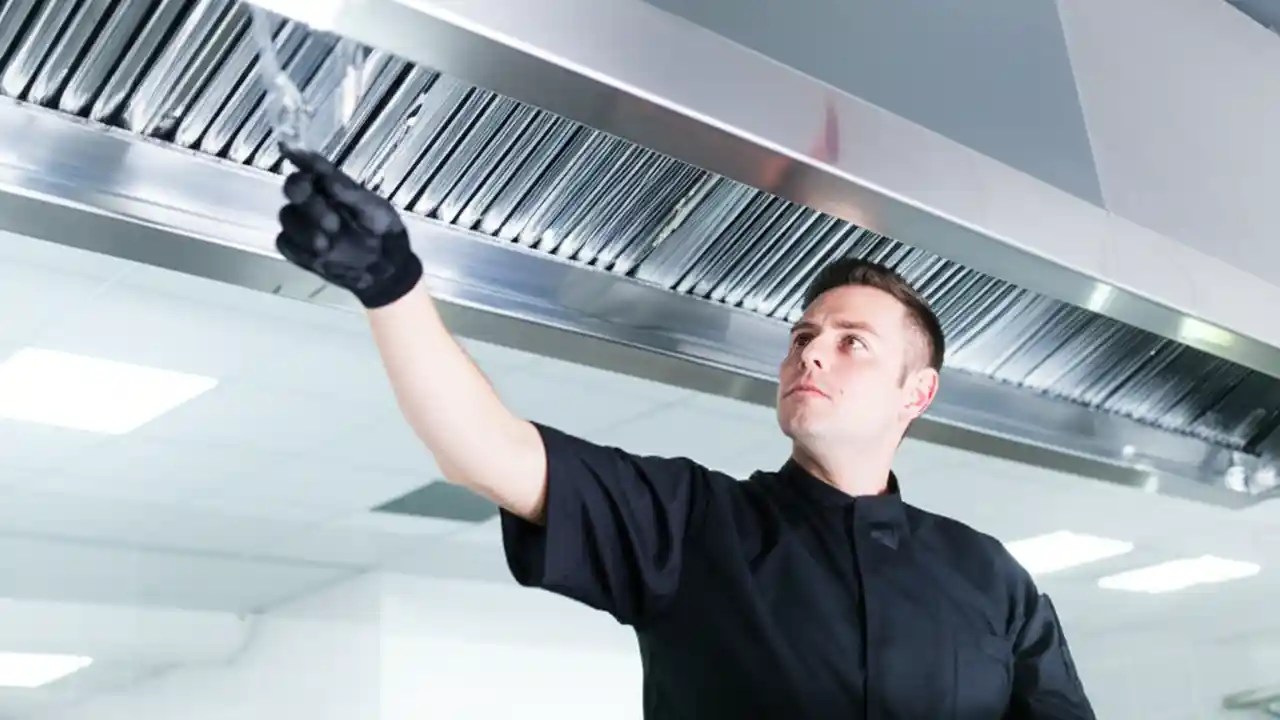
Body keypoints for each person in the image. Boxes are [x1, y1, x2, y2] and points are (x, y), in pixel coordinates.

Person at [274, 146, 1096, 719]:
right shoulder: (692, 524)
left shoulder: (990, 579)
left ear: (917, 393)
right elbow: (484, 449)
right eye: (803, 337)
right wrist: (391, 285)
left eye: (852, 343)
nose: (812, 354)